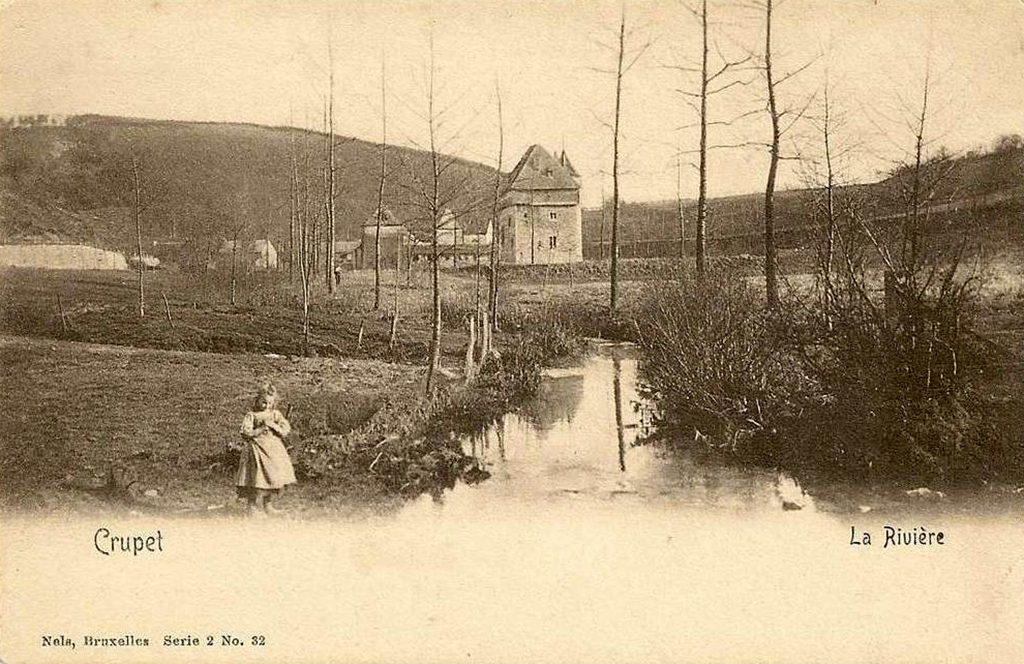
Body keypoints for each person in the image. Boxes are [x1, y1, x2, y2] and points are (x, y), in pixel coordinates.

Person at [236, 382, 295, 515]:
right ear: (257, 400)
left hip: (273, 450)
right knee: (256, 477)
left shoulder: (275, 414)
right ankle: (251, 506)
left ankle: (268, 505)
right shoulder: (252, 415)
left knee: (272, 475)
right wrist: (261, 429)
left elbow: (285, 429)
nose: (266, 406)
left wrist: (274, 426)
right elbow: (245, 432)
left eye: (269, 403)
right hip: (257, 449)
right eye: (264, 402)